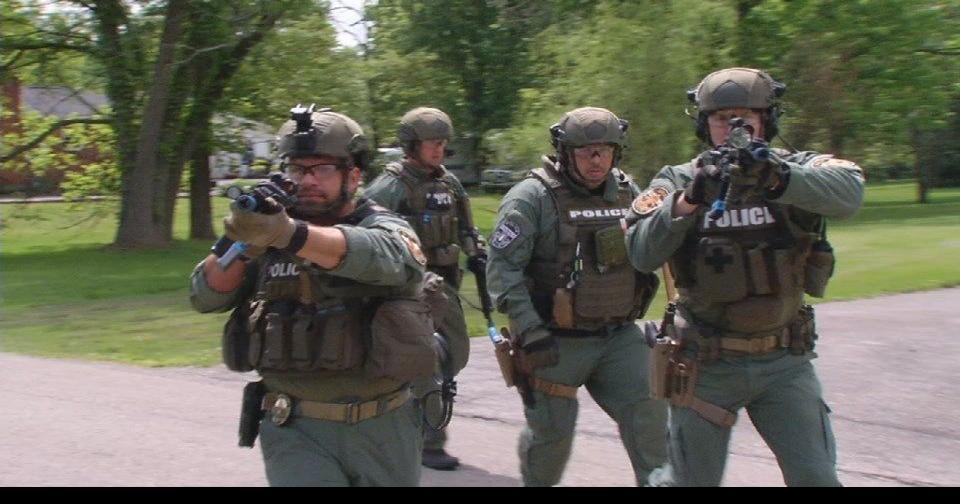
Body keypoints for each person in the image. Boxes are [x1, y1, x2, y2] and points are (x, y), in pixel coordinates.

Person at [625, 67, 865, 486]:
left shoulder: (798, 170)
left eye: (746, 117)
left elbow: (850, 191)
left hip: (784, 360)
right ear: (705, 124)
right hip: (705, 361)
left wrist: (779, 177)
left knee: (817, 477)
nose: (734, 127)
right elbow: (642, 253)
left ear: (767, 120)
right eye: (722, 118)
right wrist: (688, 201)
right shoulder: (678, 180)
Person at [189, 106, 435, 486]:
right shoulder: (267, 231)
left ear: (352, 175)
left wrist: (291, 235)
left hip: (386, 425)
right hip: (296, 427)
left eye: (321, 169)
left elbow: (395, 261)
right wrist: (239, 240)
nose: (307, 180)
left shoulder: (382, 224)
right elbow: (205, 295)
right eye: (297, 169)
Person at [485, 106, 668, 486]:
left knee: (652, 421)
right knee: (551, 442)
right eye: (586, 152)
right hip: (553, 341)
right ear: (565, 153)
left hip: (618, 336)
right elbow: (503, 271)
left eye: (605, 150)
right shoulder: (530, 198)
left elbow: (653, 247)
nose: (597, 160)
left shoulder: (628, 191)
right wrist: (530, 330)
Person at [364, 107, 485, 471]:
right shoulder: (390, 186)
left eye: (443, 143)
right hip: (408, 291)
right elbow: (368, 237)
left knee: (456, 354)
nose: (440, 149)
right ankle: (429, 440)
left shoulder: (450, 183)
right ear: (412, 145)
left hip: (445, 288)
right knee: (427, 362)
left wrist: (475, 251)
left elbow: (465, 226)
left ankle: (402, 417)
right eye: (433, 143)